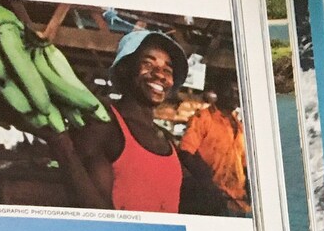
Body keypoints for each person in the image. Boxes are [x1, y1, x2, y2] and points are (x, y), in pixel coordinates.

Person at [53, 29, 235, 216]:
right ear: (125, 69)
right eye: (148, 64)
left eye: (167, 70)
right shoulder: (104, 124)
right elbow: (93, 212)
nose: (160, 75)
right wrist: (59, 142)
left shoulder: (164, 139)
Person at [180, 84, 250, 211]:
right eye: (230, 91)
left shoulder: (239, 127)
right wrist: (209, 185)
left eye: (237, 92)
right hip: (210, 200)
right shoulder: (203, 118)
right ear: (219, 92)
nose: (234, 96)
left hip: (237, 203)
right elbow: (186, 152)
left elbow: (244, 164)